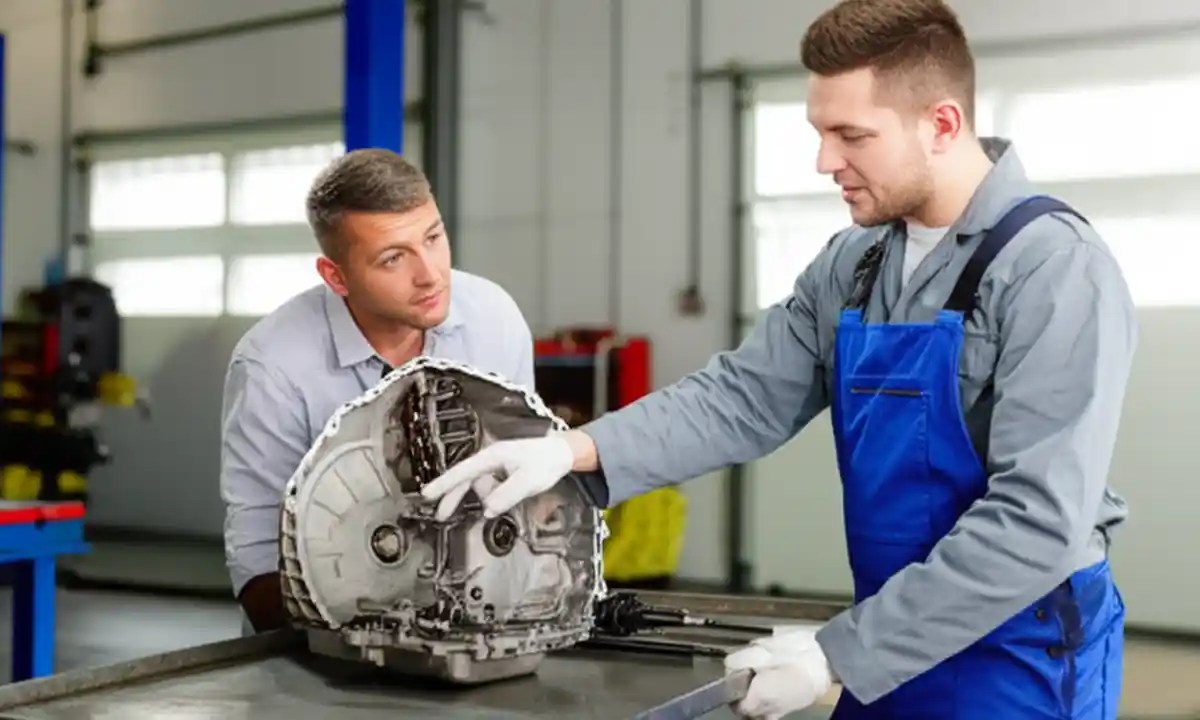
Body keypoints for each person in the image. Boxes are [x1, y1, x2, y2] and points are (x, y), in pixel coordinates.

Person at [420, 0, 1138, 718]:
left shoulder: (1054, 269)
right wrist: (574, 450)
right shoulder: (855, 263)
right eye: (819, 131)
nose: (826, 161)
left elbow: (1039, 519)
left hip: (1021, 651)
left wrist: (837, 654)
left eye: (851, 135)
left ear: (942, 125)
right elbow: (741, 397)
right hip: (893, 633)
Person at [220, 148, 535, 634]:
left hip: (480, 627)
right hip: (320, 653)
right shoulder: (274, 365)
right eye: (393, 259)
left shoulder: (495, 319)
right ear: (336, 277)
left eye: (433, 237)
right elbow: (260, 559)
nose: (430, 274)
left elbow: (523, 482)